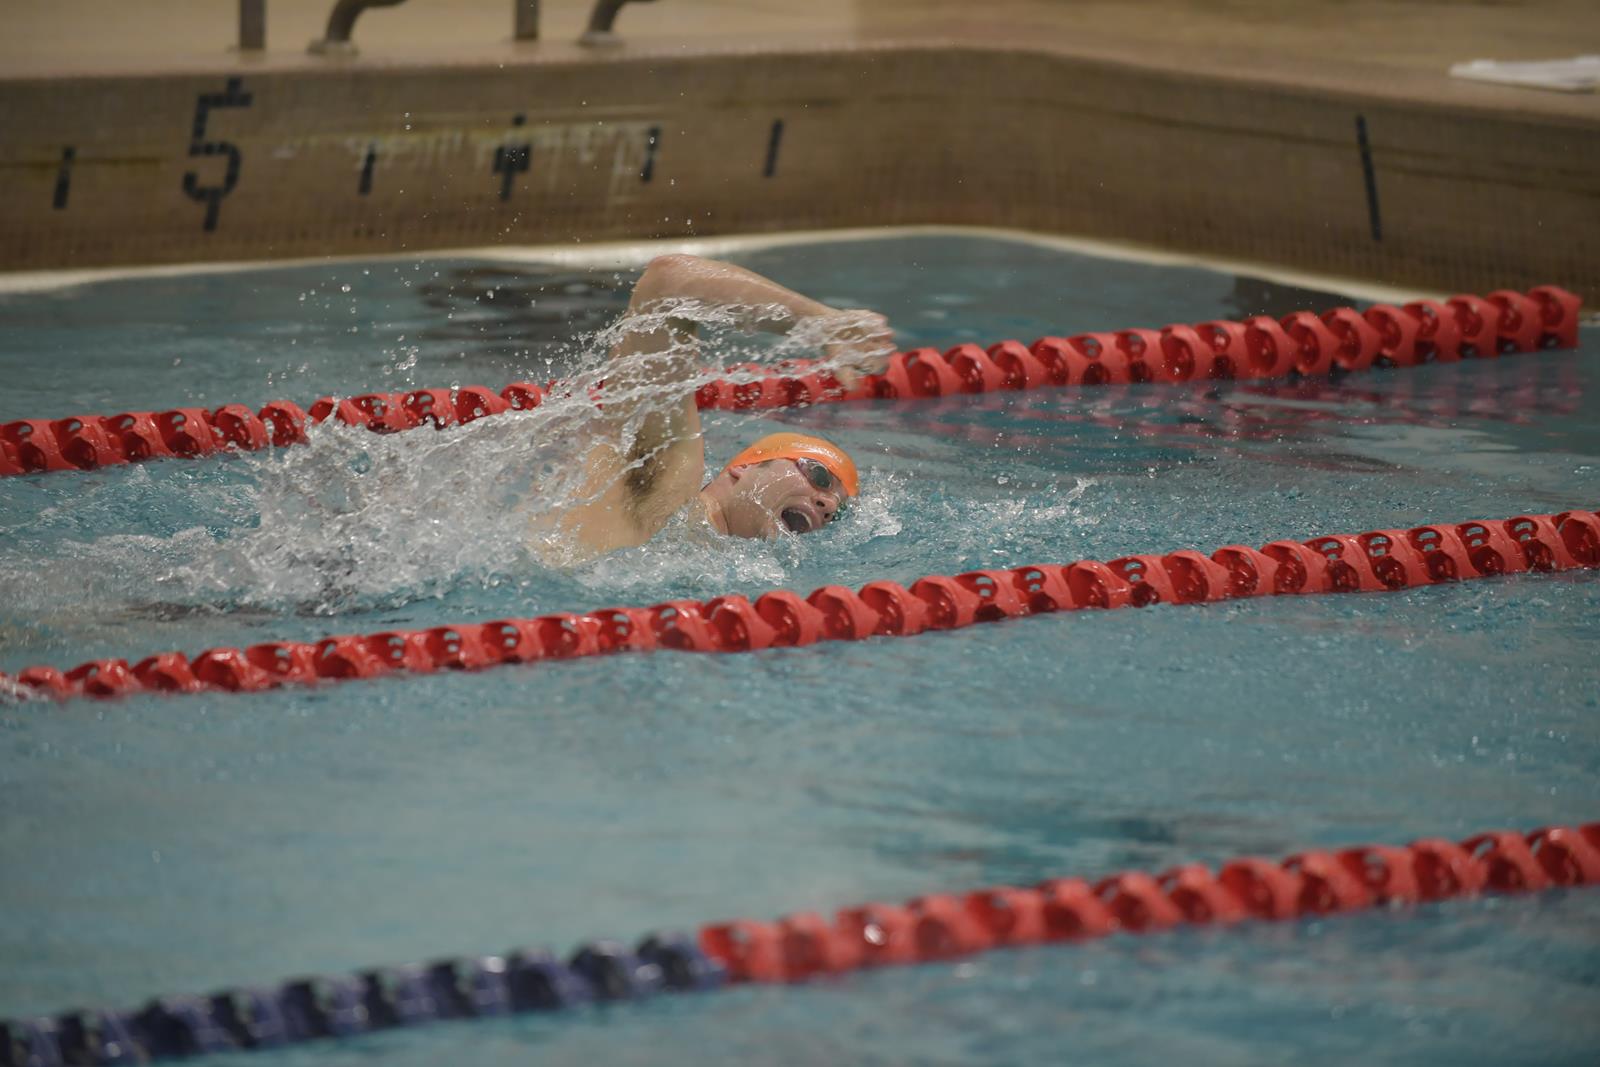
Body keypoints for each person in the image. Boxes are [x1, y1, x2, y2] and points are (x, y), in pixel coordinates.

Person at [530, 254, 894, 560]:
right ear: (741, 471)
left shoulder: (719, 565)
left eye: (837, 509)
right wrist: (823, 324)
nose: (829, 504)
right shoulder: (666, 481)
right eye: (819, 475)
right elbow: (668, 283)